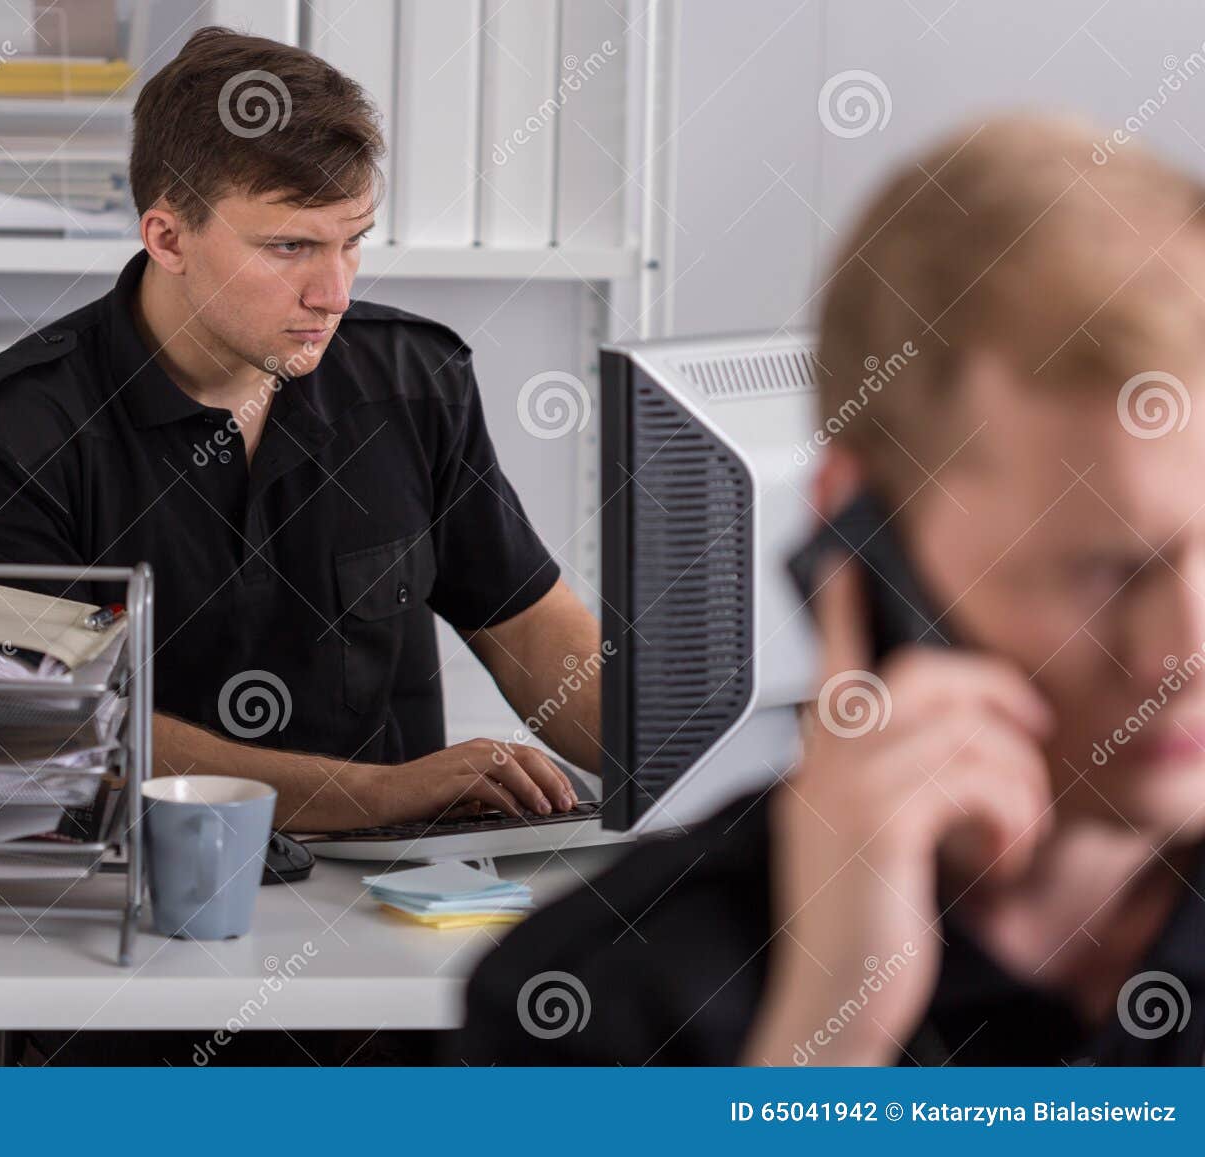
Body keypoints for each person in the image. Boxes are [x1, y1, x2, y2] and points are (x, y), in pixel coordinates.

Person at [0, 27, 604, 1065]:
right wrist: (376, 791)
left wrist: (697, 756)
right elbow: (53, 734)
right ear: (168, 234)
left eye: (353, 240)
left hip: (379, 943)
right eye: (288, 248)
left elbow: (531, 625)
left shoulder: (411, 379)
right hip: (119, 954)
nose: (334, 291)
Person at [454, 113, 1205, 1065]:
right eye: (1104, 568)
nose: (1185, 644)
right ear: (868, 533)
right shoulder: (583, 1003)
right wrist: (829, 1040)